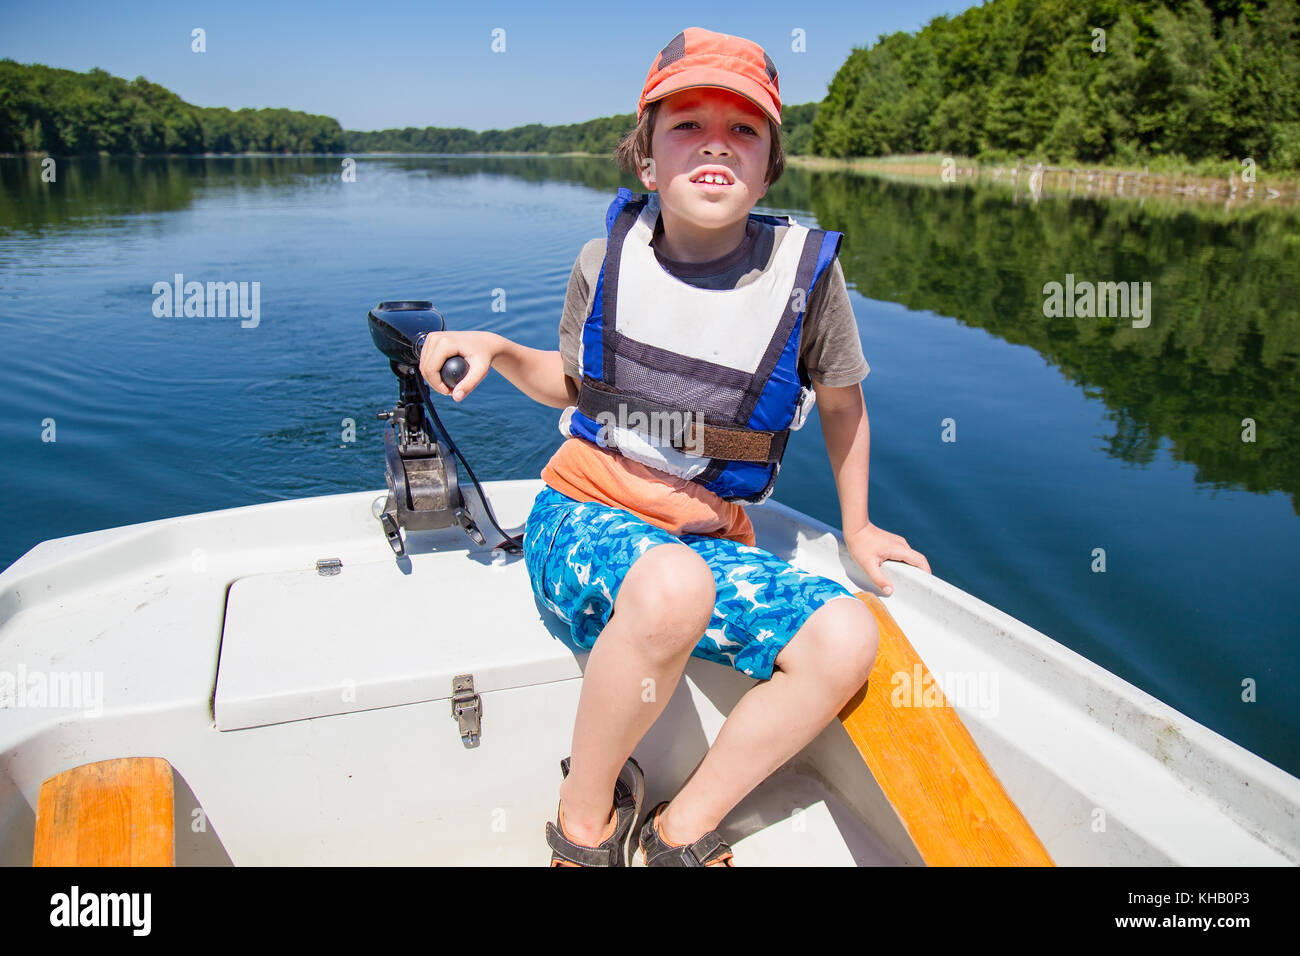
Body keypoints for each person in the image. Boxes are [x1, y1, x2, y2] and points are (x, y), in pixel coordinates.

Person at [417, 27, 931, 866]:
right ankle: (584, 823)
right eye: (687, 124)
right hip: (585, 514)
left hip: (702, 538)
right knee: (672, 584)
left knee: (846, 638)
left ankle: (678, 832)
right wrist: (504, 352)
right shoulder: (604, 259)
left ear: (768, 168)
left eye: (744, 130)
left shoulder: (810, 281)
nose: (716, 144)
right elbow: (581, 390)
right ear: (646, 160)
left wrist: (861, 527)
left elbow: (843, 407)